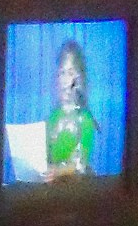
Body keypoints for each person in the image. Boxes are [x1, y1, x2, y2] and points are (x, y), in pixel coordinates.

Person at [43, 40, 101, 178]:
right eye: (62, 73)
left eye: (70, 73)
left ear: (80, 79)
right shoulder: (53, 116)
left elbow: (79, 164)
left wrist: (57, 172)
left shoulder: (85, 119)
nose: (64, 80)